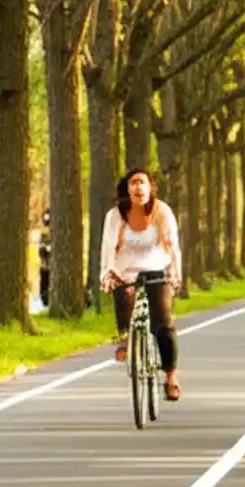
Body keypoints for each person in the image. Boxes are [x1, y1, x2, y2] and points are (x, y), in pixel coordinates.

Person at [100, 168, 184, 401]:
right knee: (124, 296)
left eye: (142, 182)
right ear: (127, 189)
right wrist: (107, 272)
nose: (138, 188)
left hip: (157, 268)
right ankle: (125, 338)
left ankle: (170, 376)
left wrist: (176, 274)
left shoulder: (162, 212)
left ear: (151, 187)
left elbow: (173, 246)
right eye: (133, 183)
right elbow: (107, 246)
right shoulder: (116, 215)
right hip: (125, 270)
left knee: (164, 324)